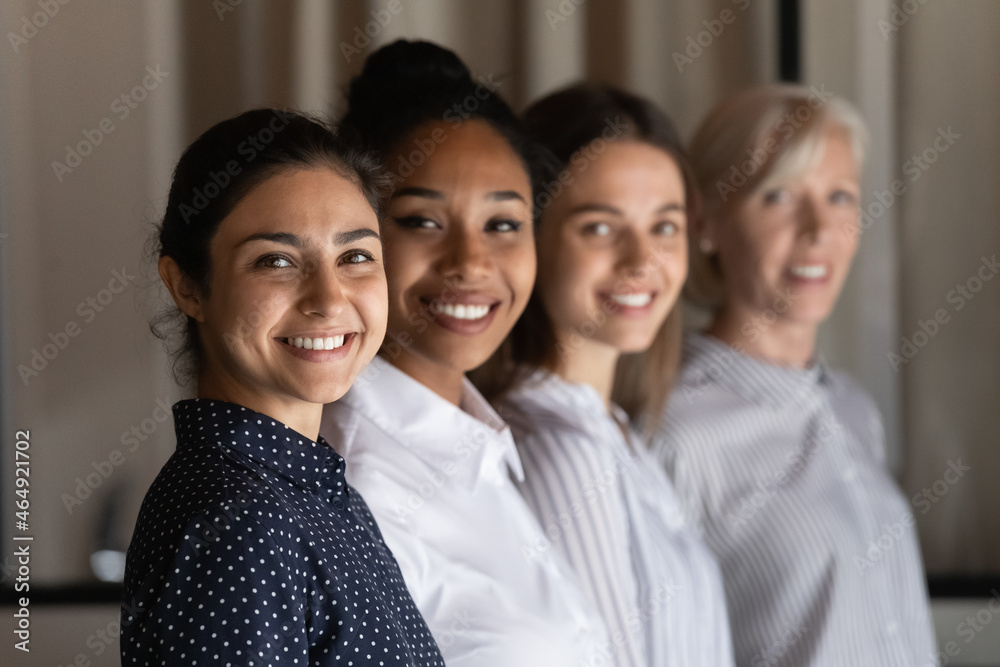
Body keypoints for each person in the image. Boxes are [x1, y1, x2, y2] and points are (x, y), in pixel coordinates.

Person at [320, 41, 608, 666]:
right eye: (423, 221)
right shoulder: (358, 489)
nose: (470, 263)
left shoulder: (482, 450)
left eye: (503, 224)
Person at [122, 109, 444, 666]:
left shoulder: (309, 489)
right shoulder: (240, 519)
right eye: (276, 260)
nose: (328, 298)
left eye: (356, 256)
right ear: (188, 287)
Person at [648, 84, 937, 666]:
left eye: (840, 197)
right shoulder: (674, 429)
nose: (818, 230)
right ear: (704, 221)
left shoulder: (854, 408)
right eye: (779, 196)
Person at [473, 83, 735, 667]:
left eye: (664, 227)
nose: (642, 260)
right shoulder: (560, 447)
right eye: (599, 227)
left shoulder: (613, 429)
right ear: (530, 236)